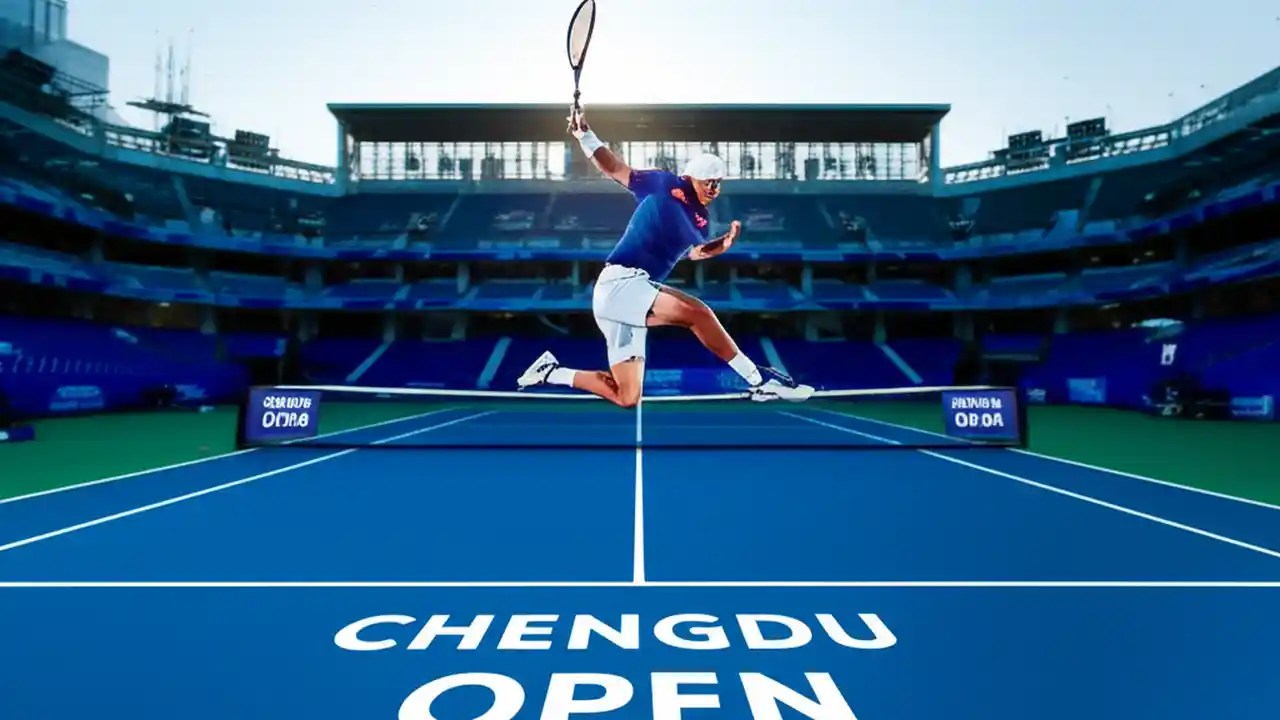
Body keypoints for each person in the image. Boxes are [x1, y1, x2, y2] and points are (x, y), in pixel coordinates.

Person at [517, 106, 813, 407]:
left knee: (627, 396)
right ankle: (760, 381)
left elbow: (693, 253)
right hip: (621, 283)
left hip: (627, 299)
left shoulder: (702, 222)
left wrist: (722, 245)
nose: (714, 187)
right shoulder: (663, 183)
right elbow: (616, 169)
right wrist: (584, 135)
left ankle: (551, 372)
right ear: (690, 177)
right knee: (698, 314)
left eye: (718, 182)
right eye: (708, 181)